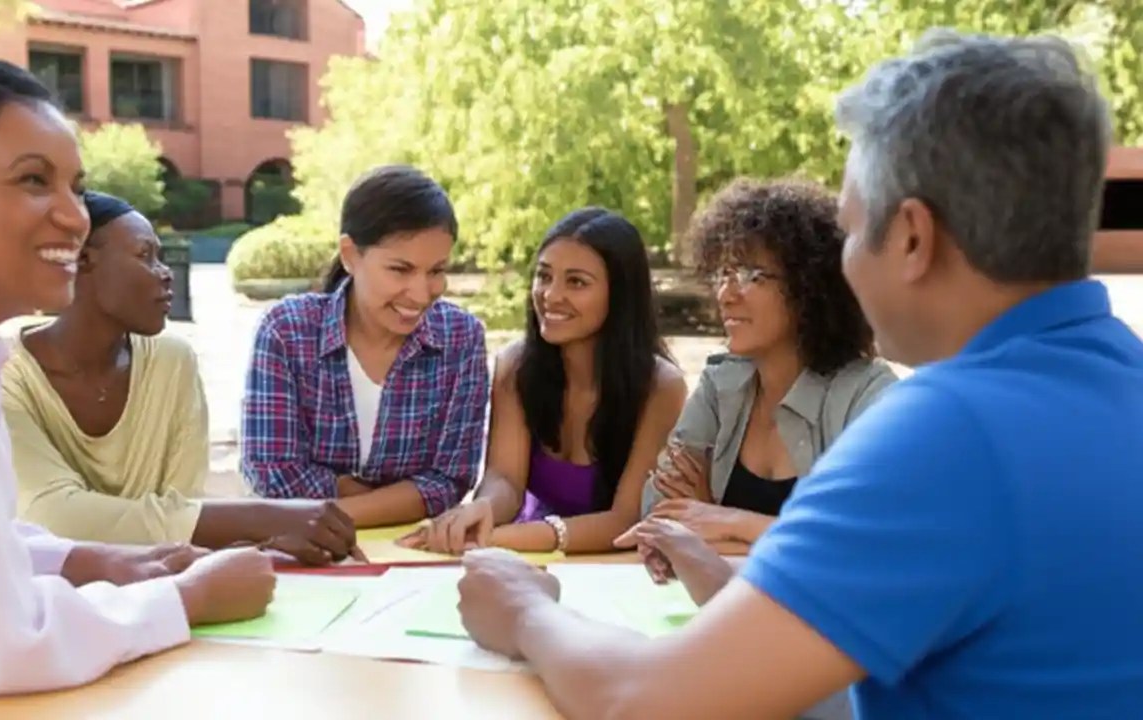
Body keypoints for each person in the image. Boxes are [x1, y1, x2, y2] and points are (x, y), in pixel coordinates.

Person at [455, 29, 1143, 719]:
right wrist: (726, 585)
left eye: (849, 230)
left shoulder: (946, 432)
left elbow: (645, 703)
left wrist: (521, 611)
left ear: (910, 237)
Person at [0, 57, 274, 695]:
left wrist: (85, 559)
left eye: (76, 187)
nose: (73, 217)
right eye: (34, 181)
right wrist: (186, 599)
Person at [2, 191, 359, 563]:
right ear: (84, 261)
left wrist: (252, 544)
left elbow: (181, 516)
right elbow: (51, 517)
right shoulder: (4, 369)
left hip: (157, 591)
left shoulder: (172, 362)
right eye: (144, 256)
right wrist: (258, 519)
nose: (165, 272)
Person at [401, 208, 686, 554]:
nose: (551, 295)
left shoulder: (661, 386)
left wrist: (498, 539)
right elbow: (504, 480)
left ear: (621, 293)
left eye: (576, 282)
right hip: (527, 551)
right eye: (544, 276)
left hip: (615, 566)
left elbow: (626, 519)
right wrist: (480, 513)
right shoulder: (516, 365)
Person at [633, 178, 897, 552]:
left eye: (751, 276)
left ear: (810, 287)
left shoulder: (869, 397)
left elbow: (870, 540)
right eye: (722, 274)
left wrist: (727, 520)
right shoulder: (719, 386)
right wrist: (713, 522)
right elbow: (658, 508)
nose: (726, 294)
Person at [241, 165, 489, 528]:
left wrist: (339, 502)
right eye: (400, 270)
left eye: (436, 270)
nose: (422, 294)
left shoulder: (461, 338)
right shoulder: (287, 331)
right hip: (303, 551)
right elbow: (272, 474)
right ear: (350, 255)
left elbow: (450, 481)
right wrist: (398, 498)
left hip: (410, 554)